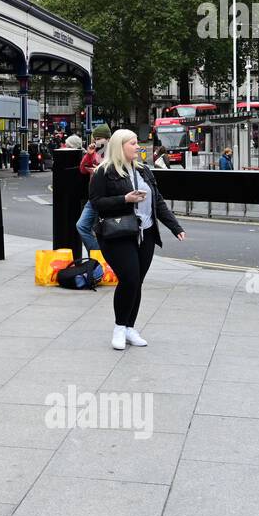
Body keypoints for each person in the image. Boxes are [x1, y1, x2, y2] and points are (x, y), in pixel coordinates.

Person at [90, 129, 186, 350]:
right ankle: (119, 327)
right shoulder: (104, 172)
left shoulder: (143, 170)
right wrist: (125, 198)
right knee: (130, 278)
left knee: (137, 281)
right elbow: (96, 203)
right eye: (133, 143)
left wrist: (175, 227)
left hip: (146, 233)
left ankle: (130, 328)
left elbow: (158, 201)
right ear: (120, 146)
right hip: (118, 233)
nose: (137, 147)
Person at [76, 124, 111, 252]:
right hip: (93, 198)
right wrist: (89, 155)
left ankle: (101, 259)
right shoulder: (94, 153)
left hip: (106, 198)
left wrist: (98, 170)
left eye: (100, 138)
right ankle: (98, 254)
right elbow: (82, 169)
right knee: (81, 226)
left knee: (102, 230)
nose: (97, 141)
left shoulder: (112, 153)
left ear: (108, 139)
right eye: (96, 138)